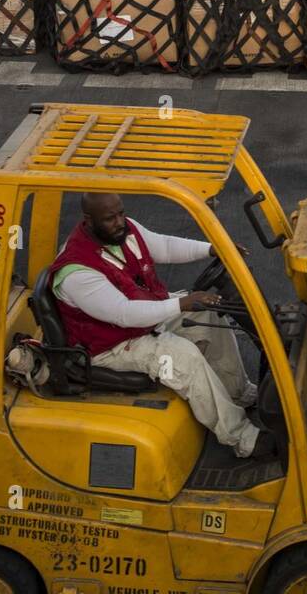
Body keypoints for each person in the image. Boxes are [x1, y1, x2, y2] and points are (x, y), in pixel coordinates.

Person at [49, 192, 273, 459]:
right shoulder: (78, 272)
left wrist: (212, 249)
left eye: (121, 213)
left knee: (208, 314)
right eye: (110, 218)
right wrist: (181, 304)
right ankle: (243, 439)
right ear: (88, 220)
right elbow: (124, 314)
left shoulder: (123, 232)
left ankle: (238, 393)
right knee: (182, 357)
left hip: (141, 317)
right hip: (112, 345)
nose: (120, 221)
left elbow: (163, 246)